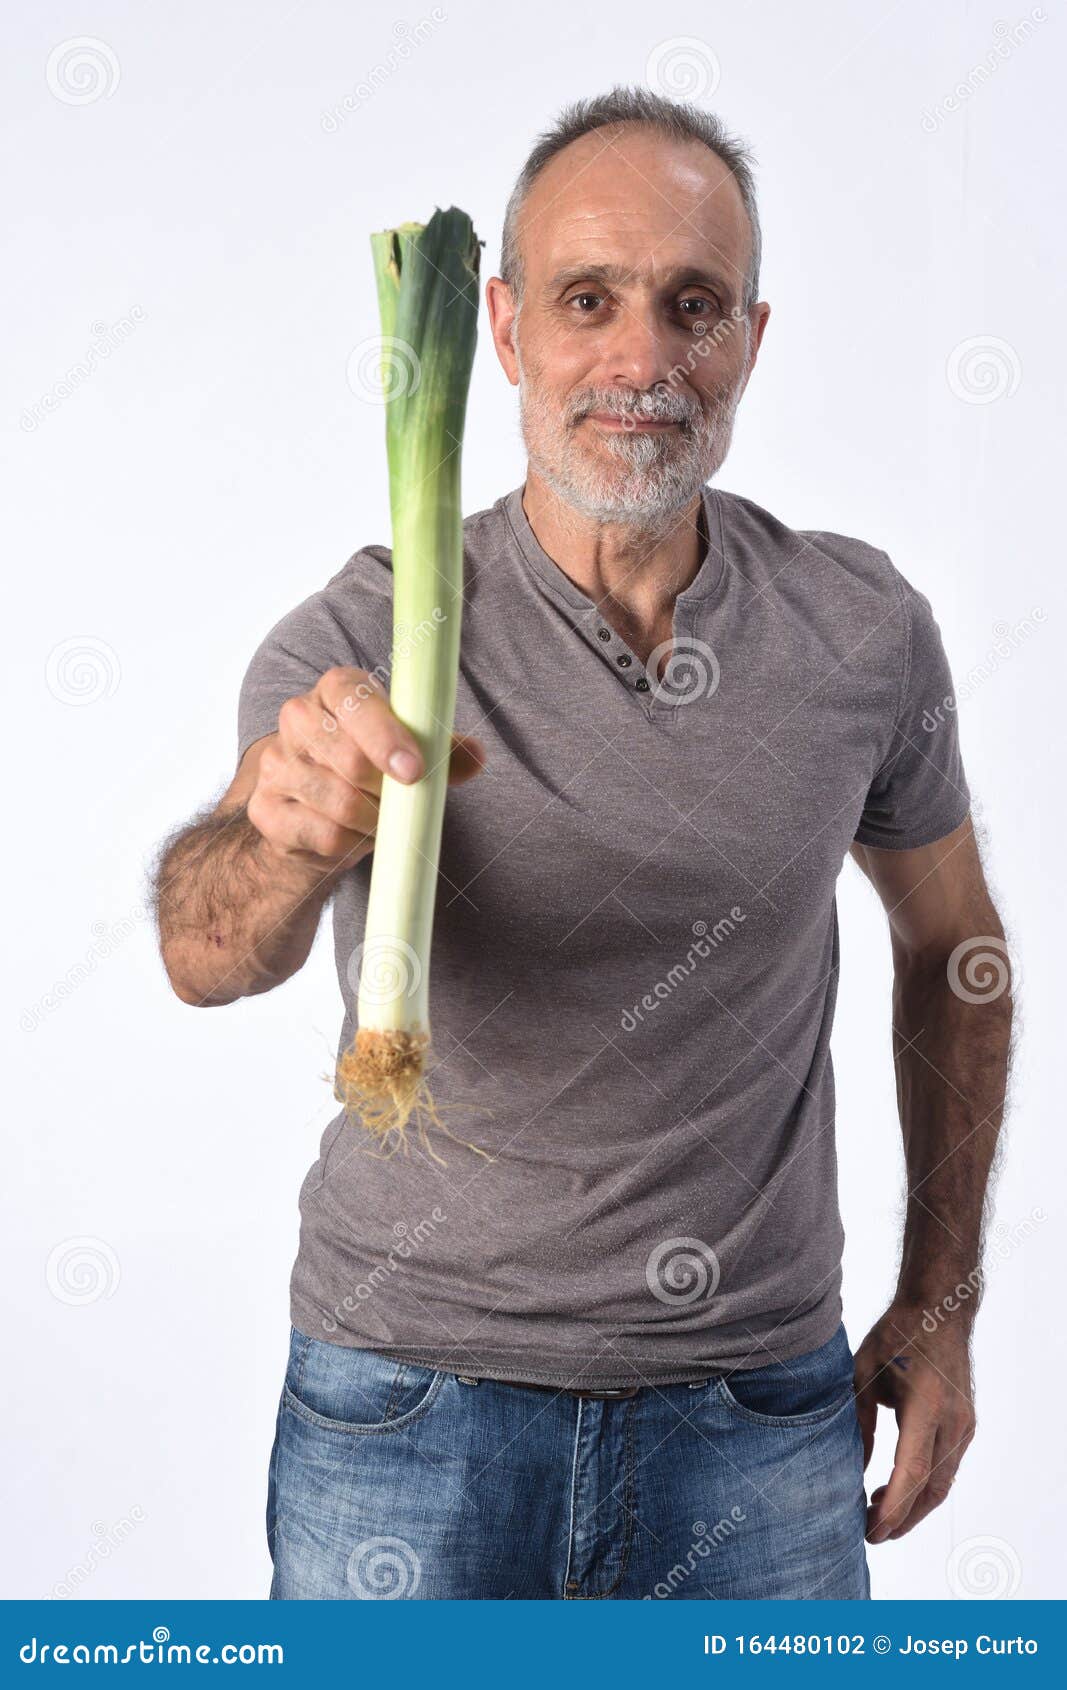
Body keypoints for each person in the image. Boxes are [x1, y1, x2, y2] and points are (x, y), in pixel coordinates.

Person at [151, 87, 1012, 1600]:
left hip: (759, 1412)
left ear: (751, 337)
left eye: (692, 307)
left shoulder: (863, 631)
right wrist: (283, 844)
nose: (640, 362)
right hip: (407, 1403)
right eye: (588, 300)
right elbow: (205, 949)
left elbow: (960, 949)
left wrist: (940, 1299)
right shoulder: (364, 635)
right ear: (499, 326)